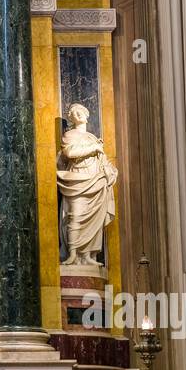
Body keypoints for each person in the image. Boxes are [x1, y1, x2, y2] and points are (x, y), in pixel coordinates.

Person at [56, 103, 118, 265]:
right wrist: (94, 148)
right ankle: (72, 254)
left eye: (80, 112)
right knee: (75, 216)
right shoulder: (69, 135)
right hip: (78, 179)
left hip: (96, 180)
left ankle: (89, 255)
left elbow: (102, 160)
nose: (78, 115)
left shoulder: (92, 137)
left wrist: (109, 171)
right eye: (74, 113)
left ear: (86, 114)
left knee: (95, 219)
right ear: (71, 118)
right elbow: (69, 153)